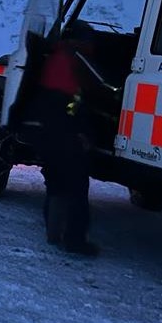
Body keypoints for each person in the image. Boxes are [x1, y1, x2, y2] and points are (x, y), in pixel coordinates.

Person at [31, 20, 98, 255]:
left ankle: (53, 233)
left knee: (56, 185)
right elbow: (81, 95)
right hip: (64, 134)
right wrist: (81, 132)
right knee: (76, 188)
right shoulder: (75, 59)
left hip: (49, 131)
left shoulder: (56, 57)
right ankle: (75, 241)